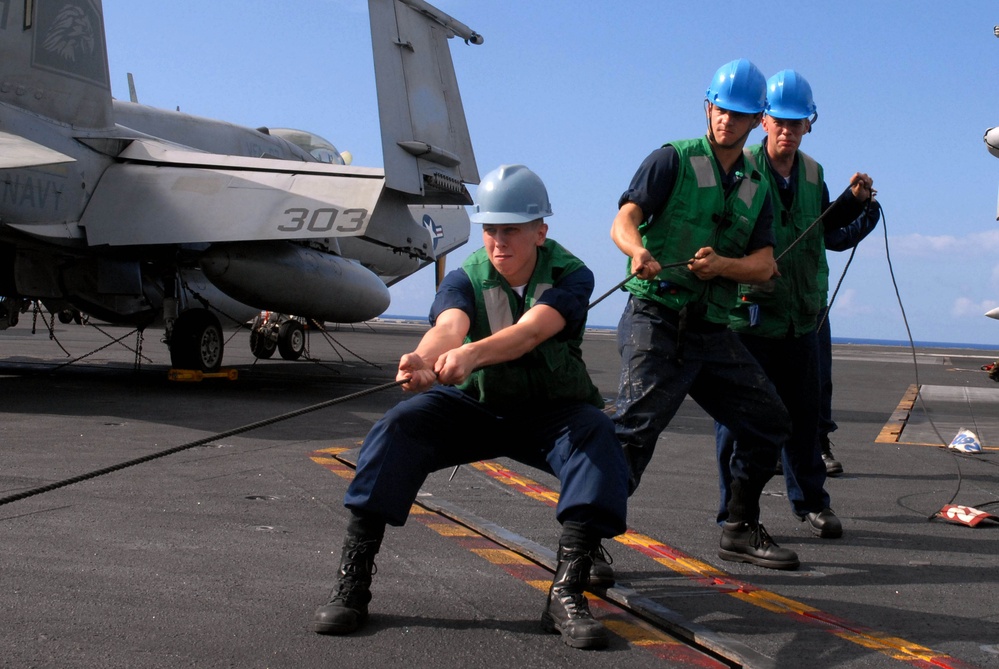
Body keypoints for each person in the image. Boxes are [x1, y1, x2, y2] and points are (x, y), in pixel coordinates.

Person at [311, 164, 630, 651]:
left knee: (597, 437)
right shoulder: (465, 276)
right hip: (475, 405)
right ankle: (352, 584)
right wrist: (422, 359)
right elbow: (449, 326)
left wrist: (469, 355)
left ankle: (566, 593)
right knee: (398, 428)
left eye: (512, 230)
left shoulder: (572, 275)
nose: (499, 241)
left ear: (540, 231)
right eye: (491, 230)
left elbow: (532, 331)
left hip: (549, 411)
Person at [609, 59, 799, 571]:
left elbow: (763, 266)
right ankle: (585, 544)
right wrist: (636, 251)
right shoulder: (671, 159)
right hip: (657, 317)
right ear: (708, 106)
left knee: (769, 422)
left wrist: (723, 266)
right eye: (720, 109)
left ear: (756, 119)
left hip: (711, 330)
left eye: (738, 114)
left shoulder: (757, 185)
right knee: (632, 433)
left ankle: (738, 527)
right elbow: (625, 218)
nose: (726, 120)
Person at [714, 70, 876, 538]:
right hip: (748, 320)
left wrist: (853, 201)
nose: (787, 130)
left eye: (797, 122)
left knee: (804, 421)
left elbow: (821, 230)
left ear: (809, 124)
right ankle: (734, 513)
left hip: (803, 317)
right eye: (779, 121)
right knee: (737, 424)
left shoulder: (813, 173)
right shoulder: (739, 170)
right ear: (763, 120)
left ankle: (810, 501)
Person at [815, 207, 880, 476]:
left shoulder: (812, 181)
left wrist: (868, 213)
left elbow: (836, 237)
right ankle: (767, 450)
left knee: (818, 380)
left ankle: (818, 446)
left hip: (810, 302)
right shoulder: (752, 179)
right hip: (760, 303)